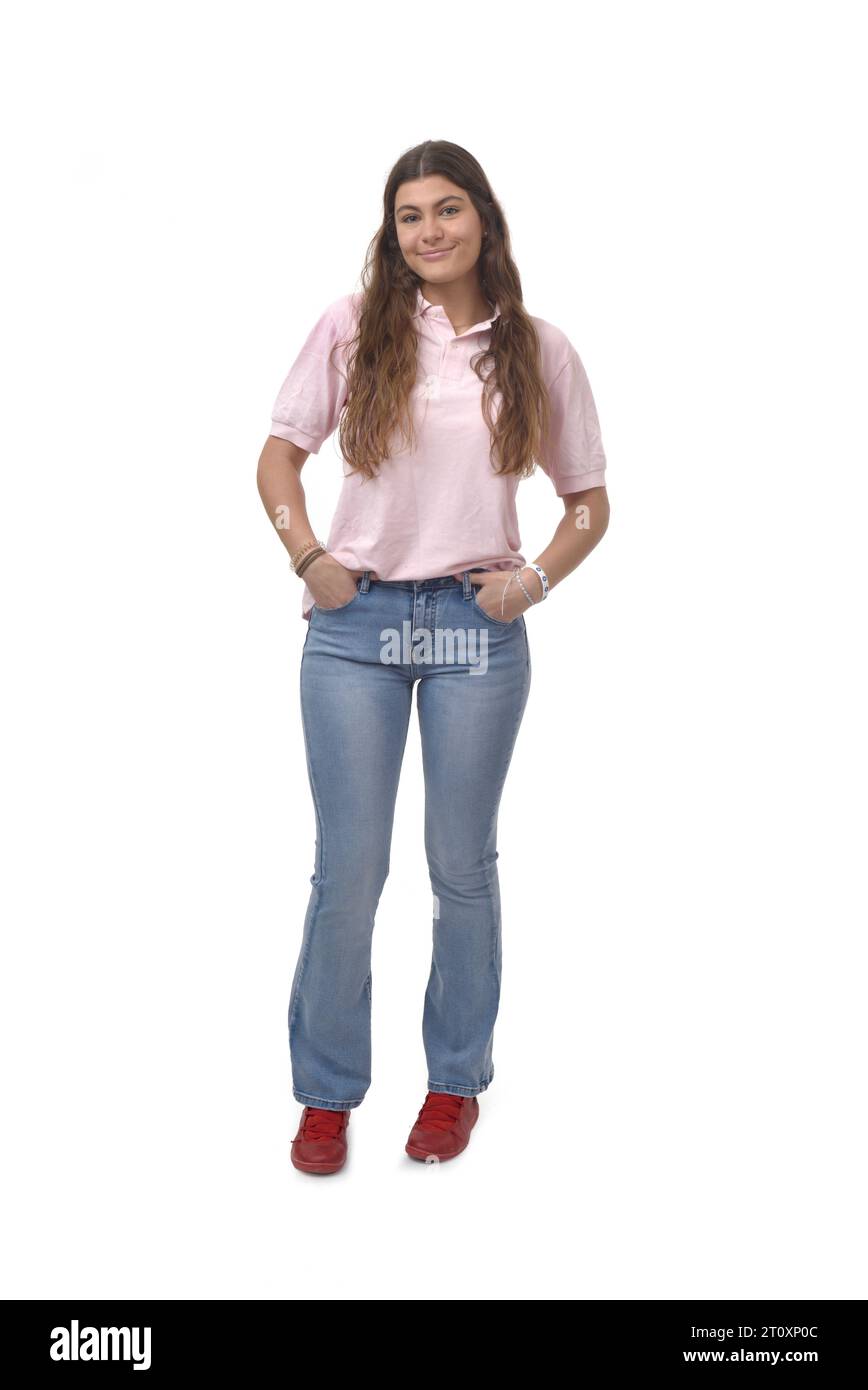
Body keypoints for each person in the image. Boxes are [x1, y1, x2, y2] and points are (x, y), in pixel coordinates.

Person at [256, 140, 610, 1175]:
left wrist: (531, 580)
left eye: (447, 210)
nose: (428, 231)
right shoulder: (351, 329)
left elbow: (588, 502)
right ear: (393, 232)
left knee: (461, 869)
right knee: (348, 872)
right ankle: (326, 1096)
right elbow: (277, 453)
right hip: (353, 629)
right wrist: (307, 554)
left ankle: (454, 1082)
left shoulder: (538, 350)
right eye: (409, 216)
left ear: (483, 221)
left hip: (473, 629)